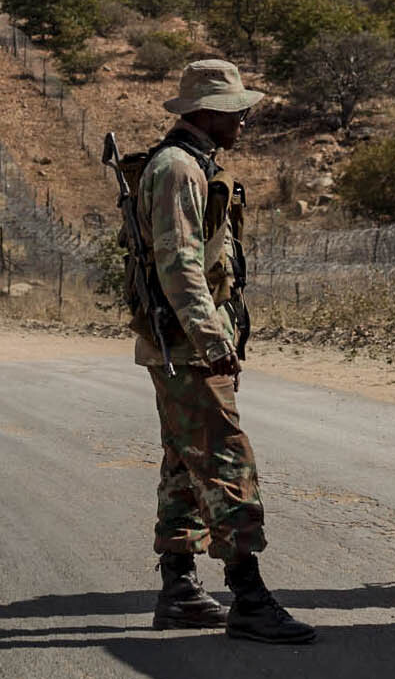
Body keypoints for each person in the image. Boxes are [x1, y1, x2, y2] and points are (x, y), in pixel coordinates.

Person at [132, 59, 315, 644]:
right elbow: (179, 262)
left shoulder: (187, 164)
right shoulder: (179, 169)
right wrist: (211, 340)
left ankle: (180, 589)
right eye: (237, 110)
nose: (245, 119)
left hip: (184, 343)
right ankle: (249, 596)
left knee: (185, 462)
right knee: (227, 460)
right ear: (208, 113)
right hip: (188, 345)